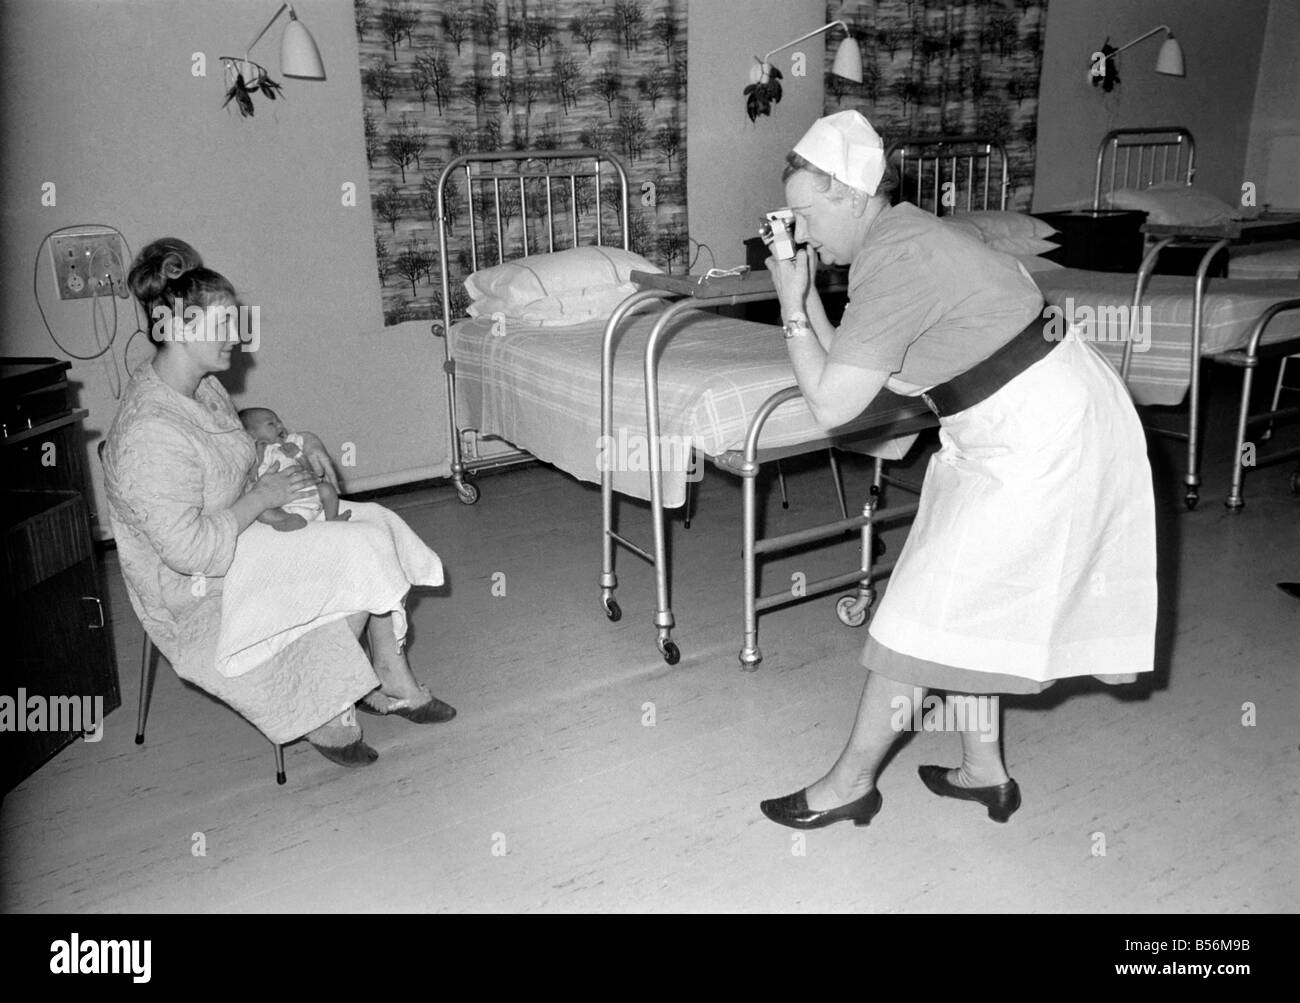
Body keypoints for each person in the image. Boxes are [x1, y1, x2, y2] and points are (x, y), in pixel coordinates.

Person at [759, 111, 1158, 828]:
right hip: (1010, 423)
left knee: (918, 614)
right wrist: (807, 297)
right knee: (969, 607)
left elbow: (831, 406)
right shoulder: (897, 239)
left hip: (1042, 432)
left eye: (806, 213)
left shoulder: (900, 255)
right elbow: (852, 364)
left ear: (851, 194)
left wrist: (790, 302)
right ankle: (982, 769)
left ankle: (850, 783)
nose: (801, 231)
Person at [103, 238, 456, 769]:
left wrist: (295, 445)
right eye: (223, 324)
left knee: (375, 523)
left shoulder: (202, 387)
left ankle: (388, 670)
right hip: (197, 580)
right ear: (174, 327)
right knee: (352, 553)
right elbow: (188, 552)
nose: (237, 338)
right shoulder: (149, 432)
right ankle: (326, 707)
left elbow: (236, 456)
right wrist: (263, 499)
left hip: (248, 523)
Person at [239, 406, 349, 529]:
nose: (280, 426)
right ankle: (285, 519)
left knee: (327, 489)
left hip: (311, 497)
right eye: (271, 424)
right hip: (283, 506)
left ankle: (332, 518)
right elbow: (252, 480)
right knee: (259, 510)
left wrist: (298, 455)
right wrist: (257, 457)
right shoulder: (253, 455)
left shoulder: (292, 442)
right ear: (252, 435)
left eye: (279, 421)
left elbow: (312, 472)